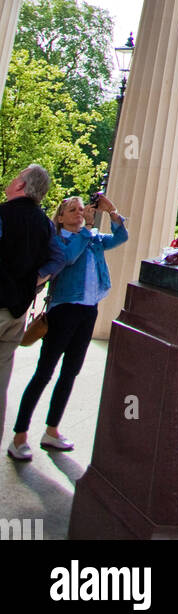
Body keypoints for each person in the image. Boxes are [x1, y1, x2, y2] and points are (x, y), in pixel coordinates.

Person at [9, 193, 127, 460]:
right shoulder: (58, 240)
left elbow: (121, 238)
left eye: (81, 208)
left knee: (70, 373)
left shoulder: (93, 238)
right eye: (72, 210)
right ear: (60, 217)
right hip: (64, 310)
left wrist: (112, 211)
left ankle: (52, 430)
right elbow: (69, 258)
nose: (79, 212)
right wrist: (86, 228)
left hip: (88, 311)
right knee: (44, 373)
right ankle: (19, 436)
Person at [0, 165, 59, 447]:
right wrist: (36, 282)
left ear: (22, 186)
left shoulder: (2, 213)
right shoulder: (45, 223)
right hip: (18, 313)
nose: (11, 181)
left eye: (16, 177)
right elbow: (58, 258)